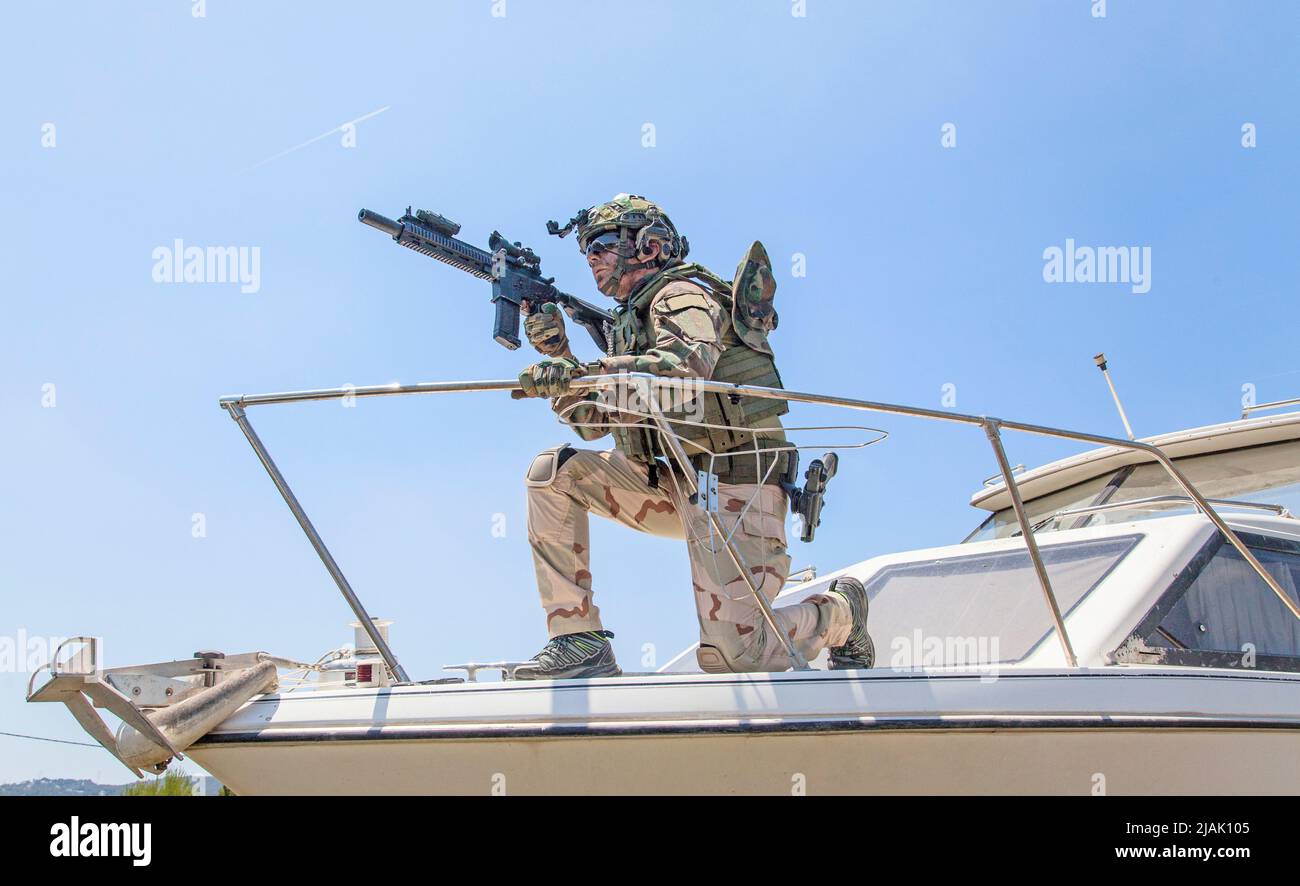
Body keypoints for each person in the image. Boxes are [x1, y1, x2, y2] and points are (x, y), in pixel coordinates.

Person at [512, 194, 873, 679]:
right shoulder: (627, 328)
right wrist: (559, 354)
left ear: (648, 245)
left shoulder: (682, 294)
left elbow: (684, 374)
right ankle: (579, 641)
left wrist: (586, 370)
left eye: (601, 244)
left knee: (738, 656)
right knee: (553, 474)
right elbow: (591, 425)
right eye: (587, 251)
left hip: (735, 487)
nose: (592, 258)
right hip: (671, 483)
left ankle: (840, 616)